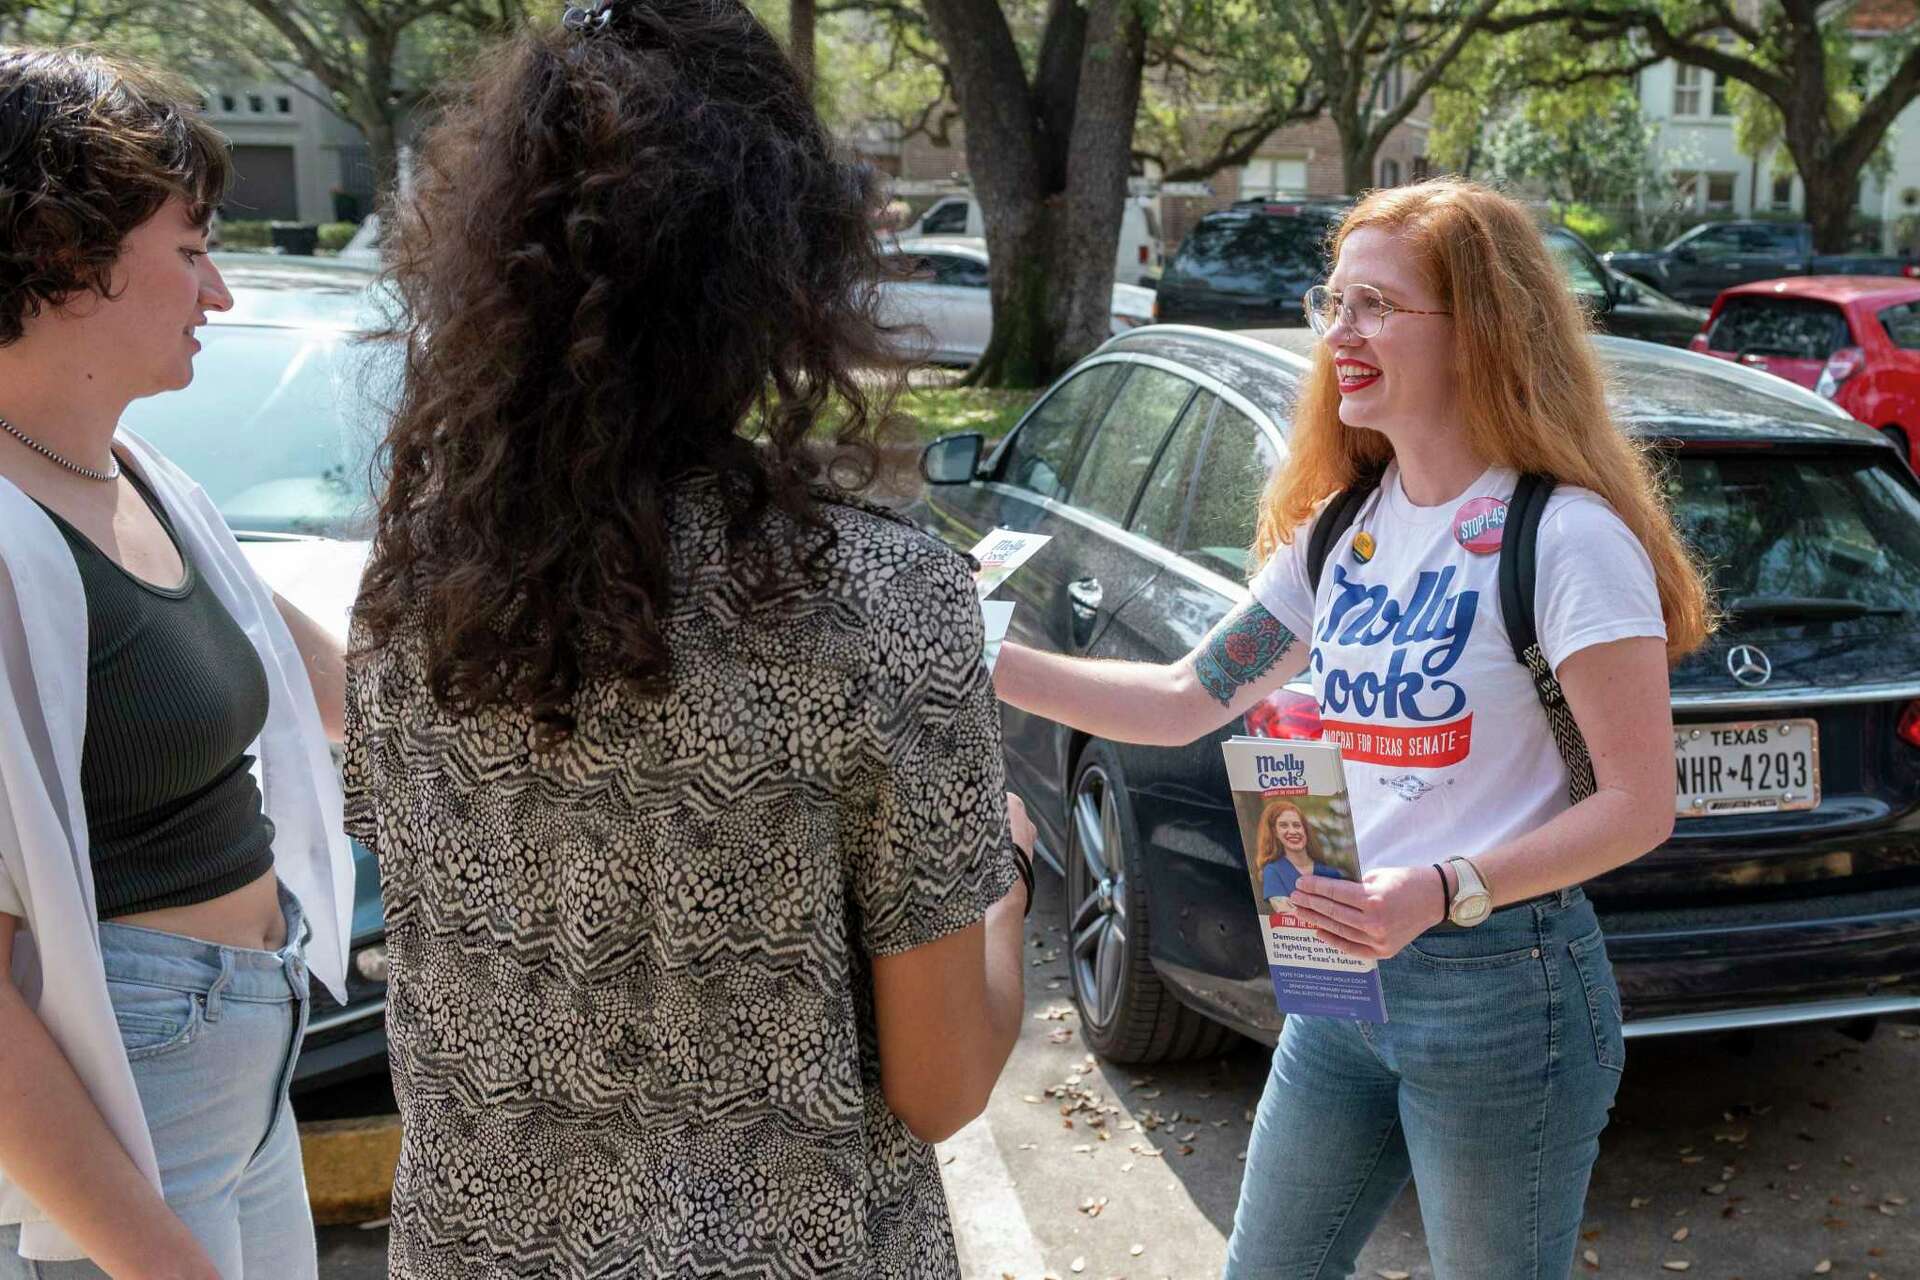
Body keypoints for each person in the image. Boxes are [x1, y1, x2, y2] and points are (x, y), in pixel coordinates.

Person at [339, 2, 1031, 1276]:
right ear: (779, 265)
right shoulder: (875, 600)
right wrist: (1008, 885)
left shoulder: (410, 596)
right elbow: (943, 1085)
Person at [993, 177, 1711, 1279]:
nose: (1341, 333)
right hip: (1341, 979)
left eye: (1377, 305)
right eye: (1334, 303)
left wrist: (1433, 889)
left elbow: (1638, 806)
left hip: (1501, 986)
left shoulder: (1567, 539)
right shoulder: (1345, 531)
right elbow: (1186, 695)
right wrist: (974, 658)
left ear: (1480, 332)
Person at [0, 48, 354, 1279]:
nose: (219, 294)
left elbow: (353, 694)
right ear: (61, 252)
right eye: (192, 248)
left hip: (242, 1058)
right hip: (123, 1099)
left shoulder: (147, 479)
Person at [1254, 799, 1345, 910]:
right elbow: (1285, 911)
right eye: (1283, 826)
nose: (1292, 831)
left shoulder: (1331, 873)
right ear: (1275, 833)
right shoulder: (1273, 871)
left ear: (1305, 830)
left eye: (1297, 825)